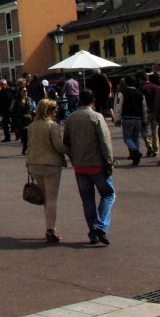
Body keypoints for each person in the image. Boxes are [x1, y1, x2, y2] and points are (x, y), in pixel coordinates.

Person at [62, 89, 115, 246]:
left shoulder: (70, 118)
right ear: (93, 101)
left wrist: (73, 157)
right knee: (108, 194)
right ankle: (100, 225)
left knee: (87, 201)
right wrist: (109, 161)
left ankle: (93, 233)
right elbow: (105, 142)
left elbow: (66, 141)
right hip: (96, 163)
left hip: (79, 165)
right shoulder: (96, 117)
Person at [25, 98, 68, 243]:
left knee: (46, 198)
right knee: (51, 198)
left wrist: (27, 163)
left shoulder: (32, 126)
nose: (56, 110)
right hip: (50, 165)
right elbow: (58, 146)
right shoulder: (52, 125)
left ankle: (50, 226)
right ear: (47, 110)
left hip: (34, 164)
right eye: (54, 108)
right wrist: (72, 152)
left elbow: (30, 145)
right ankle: (50, 229)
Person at [114, 75, 146, 166]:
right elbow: (144, 107)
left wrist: (117, 119)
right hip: (138, 118)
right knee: (136, 138)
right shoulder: (140, 93)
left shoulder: (122, 93)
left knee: (127, 138)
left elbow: (119, 107)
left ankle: (135, 151)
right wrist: (145, 119)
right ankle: (136, 157)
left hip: (127, 118)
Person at [138, 72, 159, 158]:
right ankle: (156, 148)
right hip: (155, 111)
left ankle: (148, 145)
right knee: (155, 131)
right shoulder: (156, 87)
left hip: (146, 112)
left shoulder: (141, 88)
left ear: (141, 79)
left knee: (144, 130)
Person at [11, 86, 35, 155]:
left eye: (26, 91)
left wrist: (30, 114)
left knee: (29, 135)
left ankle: (26, 149)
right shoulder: (17, 101)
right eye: (24, 91)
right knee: (24, 136)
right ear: (20, 92)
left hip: (29, 119)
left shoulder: (29, 99)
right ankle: (25, 148)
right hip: (21, 120)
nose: (26, 92)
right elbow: (14, 111)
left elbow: (32, 108)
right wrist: (22, 115)